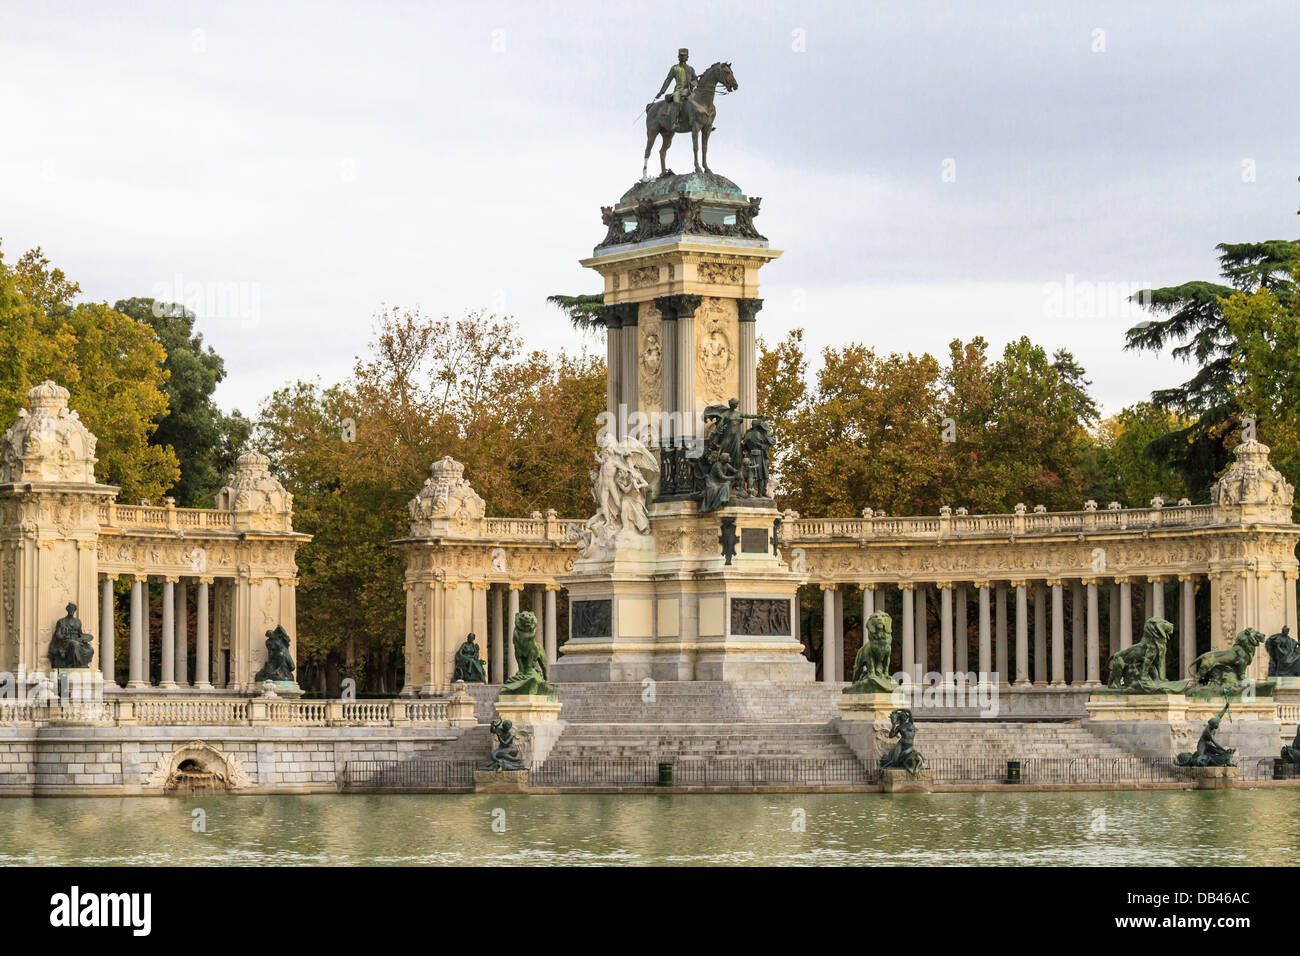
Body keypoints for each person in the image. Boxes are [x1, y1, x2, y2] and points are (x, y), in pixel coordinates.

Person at [654, 48, 697, 130]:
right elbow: (668, 80)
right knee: (677, 101)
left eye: (685, 56)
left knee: (700, 100)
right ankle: (673, 122)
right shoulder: (675, 68)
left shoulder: (691, 69)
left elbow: (696, 80)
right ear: (678, 57)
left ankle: (705, 122)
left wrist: (693, 83)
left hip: (689, 91)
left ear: (687, 57)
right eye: (681, 56)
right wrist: (661, 92)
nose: (683, 57)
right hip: (678, 91)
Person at [49, 603, 94, 669]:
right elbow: (58, 634)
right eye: (70, 609)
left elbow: (80, 633)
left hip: (77, 640)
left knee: (89, 648)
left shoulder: (78, 621)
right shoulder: (61, 621)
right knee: (74, 644)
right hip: (65, 641)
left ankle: (82, 664)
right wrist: (63, 637)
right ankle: (74, 664)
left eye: (73, 610)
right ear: (67, 610)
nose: (71, 611)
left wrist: (86, 638)